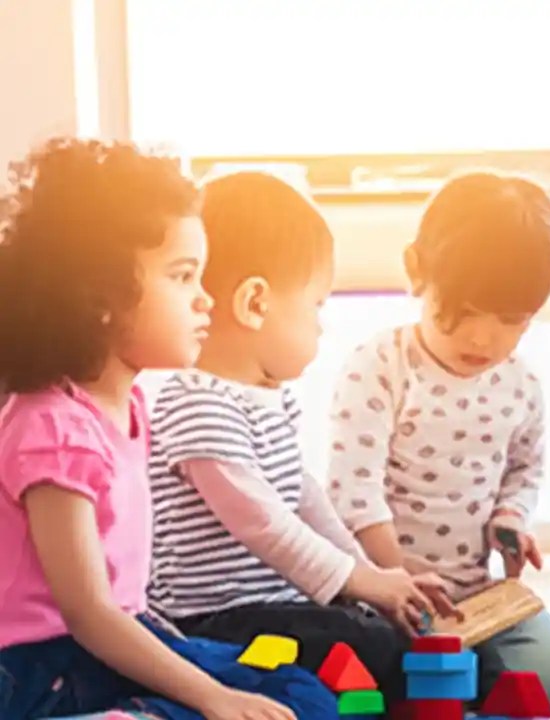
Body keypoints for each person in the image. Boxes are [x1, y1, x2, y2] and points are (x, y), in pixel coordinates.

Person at [0, 138, 336, 719]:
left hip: (114, 641)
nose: (205, 300)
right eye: (183, 277)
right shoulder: (54, 428)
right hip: (42, 670)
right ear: (100, 297)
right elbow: (88, 613)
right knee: (229, 703)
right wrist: (210, 694)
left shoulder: (126, 409)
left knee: (297, 693)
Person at [145, 171, 457, 704]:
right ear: (256, 304)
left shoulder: (267, 398)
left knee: (378, 632)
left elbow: (303, 496)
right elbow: (262, 522)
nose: (321, 327)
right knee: (365, 645)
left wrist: (374, 577)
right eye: (315, 305)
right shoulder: (198, 403)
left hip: (272, 604)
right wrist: (362, 583)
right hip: (210, 622)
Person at [328, 171, 550, 712]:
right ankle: (439, 682)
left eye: (511, 321)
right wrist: (395, 575)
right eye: (463, 312)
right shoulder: (380, 367)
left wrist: (511, 518)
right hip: (377, 597)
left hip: (473, 600)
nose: (482, 338)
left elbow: (524, 469)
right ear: (416, 271)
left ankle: (452, 682)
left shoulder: (521, 383)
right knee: (357, 662)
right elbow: (354, 492)